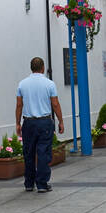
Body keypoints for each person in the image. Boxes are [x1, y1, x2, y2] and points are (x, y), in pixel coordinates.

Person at [15, 56, 65, 193]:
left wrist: (18, 123)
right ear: (43, 68)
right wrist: (60, 121)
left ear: (31, 68)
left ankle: (29, 183)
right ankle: (42, 184)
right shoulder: (49, 84)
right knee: (43, 153)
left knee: (28, 152)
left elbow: (19, 105)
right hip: (44, 122)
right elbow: (55, 104)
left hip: (28, 122)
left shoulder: (22, 84)